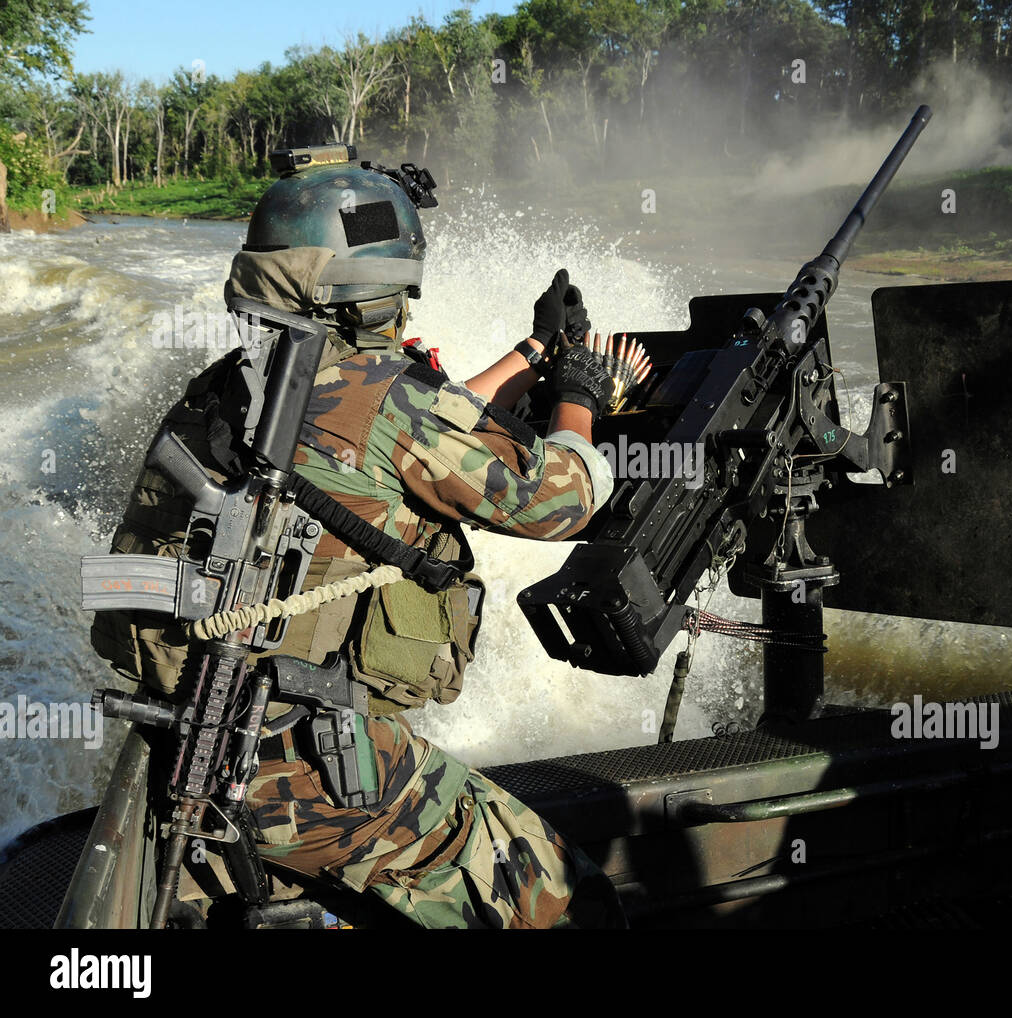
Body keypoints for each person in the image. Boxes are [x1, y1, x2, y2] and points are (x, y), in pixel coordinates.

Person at [89, 145, 625, 928]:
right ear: (380, 296)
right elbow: (560, 498)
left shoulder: (225, 390)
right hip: (318, 779)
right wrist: (581, 393)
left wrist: (533, 355)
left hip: (201, 754)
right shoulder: (385, 403)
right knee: (576, 903)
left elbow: (401, 435)